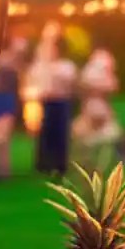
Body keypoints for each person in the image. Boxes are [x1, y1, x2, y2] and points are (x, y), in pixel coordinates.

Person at [29, 32, 77, 175]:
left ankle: (60, 165)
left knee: (60, 133)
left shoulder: (66, 66)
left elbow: (71, 83)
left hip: (61, 102)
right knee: (45, 134)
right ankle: (44, 164)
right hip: (46, 102)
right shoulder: (42, 66)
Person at [72, 48, 122, 171]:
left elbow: (112, 88)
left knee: (107, 141)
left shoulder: (108, 79)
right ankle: (88, 167)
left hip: (102, 112)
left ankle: (100, 168)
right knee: (85, 143)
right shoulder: (88, 77)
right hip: (90, 112)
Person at [0, 35, 26, 180]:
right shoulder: (0, 59)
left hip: (6, 100)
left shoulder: (14, 63)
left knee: (1, 137)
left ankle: (3, 171)